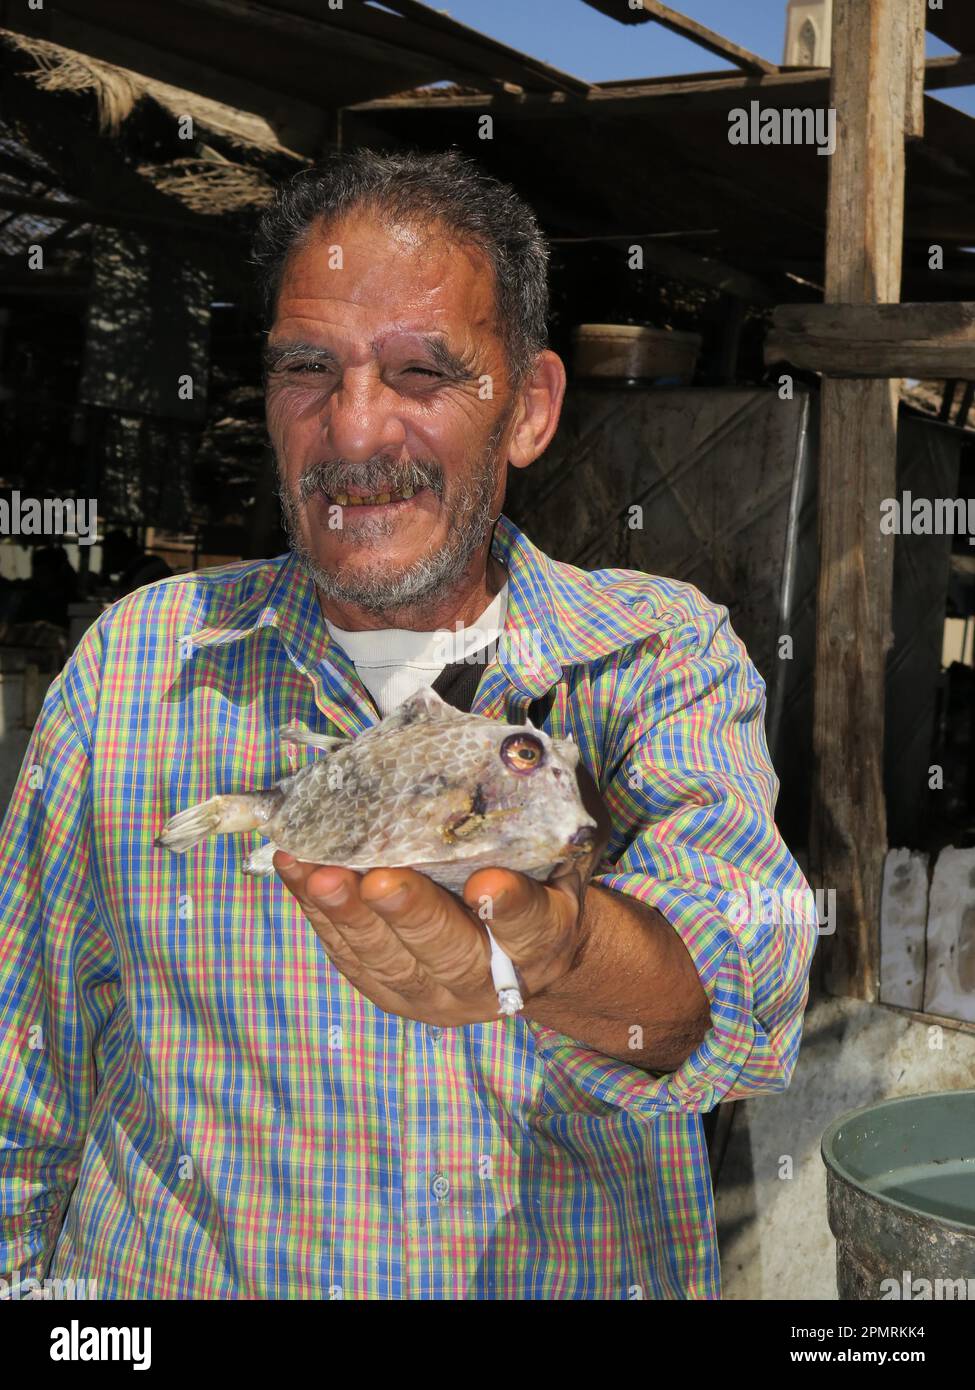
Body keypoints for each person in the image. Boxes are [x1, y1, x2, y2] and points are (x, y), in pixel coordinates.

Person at [0, 150, 816, 1300]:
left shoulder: (650, 656)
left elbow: (746, 984)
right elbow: (23, 1063)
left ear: (527, 407)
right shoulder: (139, 666)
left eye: (421, 371)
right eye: (306, 368)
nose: (356, 431)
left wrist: (559, 952)